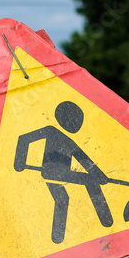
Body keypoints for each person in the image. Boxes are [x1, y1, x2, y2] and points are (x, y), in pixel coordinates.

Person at [13, 100, 113, 244]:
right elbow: (24, 139)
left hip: (61, 173)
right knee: (89, 181)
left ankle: (57, 238)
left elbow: (83, 159)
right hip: (52, 172)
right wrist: (19, 162)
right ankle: (106, 219)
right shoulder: (50, 131)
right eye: (76, 120)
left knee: (62, 199)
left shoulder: (68, 141)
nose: (78, 124)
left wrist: (100, 175)